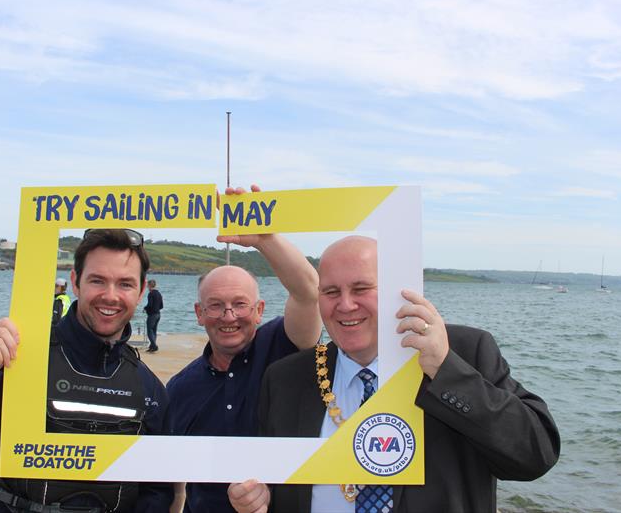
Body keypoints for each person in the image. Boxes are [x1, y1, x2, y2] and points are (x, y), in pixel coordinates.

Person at [229, 236, 560, 513]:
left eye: (361, 288)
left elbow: (535, 455)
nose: (345, 305)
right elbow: (273, 483)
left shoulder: (465, 351)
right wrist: (257, 500)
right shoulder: (287, 378)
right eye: (331, 292)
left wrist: (446, 370)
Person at [0, 228, 173, 513]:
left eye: (125, 284)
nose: (111, 296)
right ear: (76, 283)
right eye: (97, 280)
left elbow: (156, 491)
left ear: (142, 292)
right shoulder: (14, 362)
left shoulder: (148, 389)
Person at [166, 185, 323, 513]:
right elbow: (174, 477)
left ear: (259, 310)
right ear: (198, 314)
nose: (229, 316)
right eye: (215, 305)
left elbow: (310, 291)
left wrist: (266, 240)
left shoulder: (284, 344)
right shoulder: (179, 387)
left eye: (240, 304)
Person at [144, 279, 164, 353]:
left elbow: (150, 305)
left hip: (152, 315)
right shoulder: (159, 294)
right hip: (158, 314)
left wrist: (145, 308)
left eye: (147, 285)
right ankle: (152, 346)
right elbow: (161, 306)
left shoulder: (151, 294)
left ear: (149, 286)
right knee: (154, 330)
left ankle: (154, 346)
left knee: (149, 330)